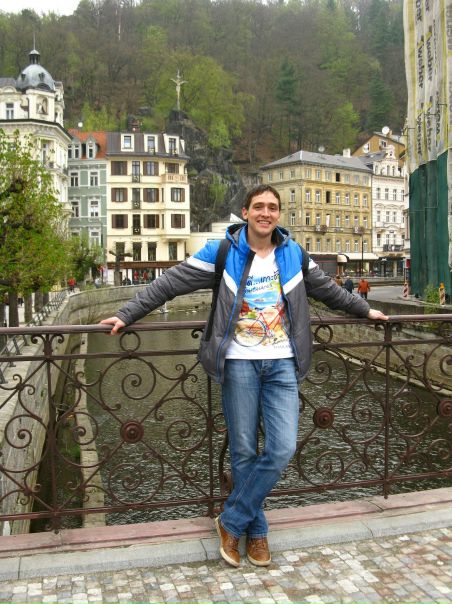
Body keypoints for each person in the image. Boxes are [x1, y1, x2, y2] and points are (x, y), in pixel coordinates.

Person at [100, 184, 388, 568]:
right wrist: (127, 313)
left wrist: (365, 310)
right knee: (244, 451)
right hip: (238, 362)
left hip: (282, 362)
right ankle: (258, 532)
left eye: (272, 207)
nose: (265, 213)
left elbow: (329, 291)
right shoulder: (222, 252)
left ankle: (232, 520)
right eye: (258, 207)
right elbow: (169, 282)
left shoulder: (294, 254)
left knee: (282, 448)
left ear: (279, 215)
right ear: (246, 212)